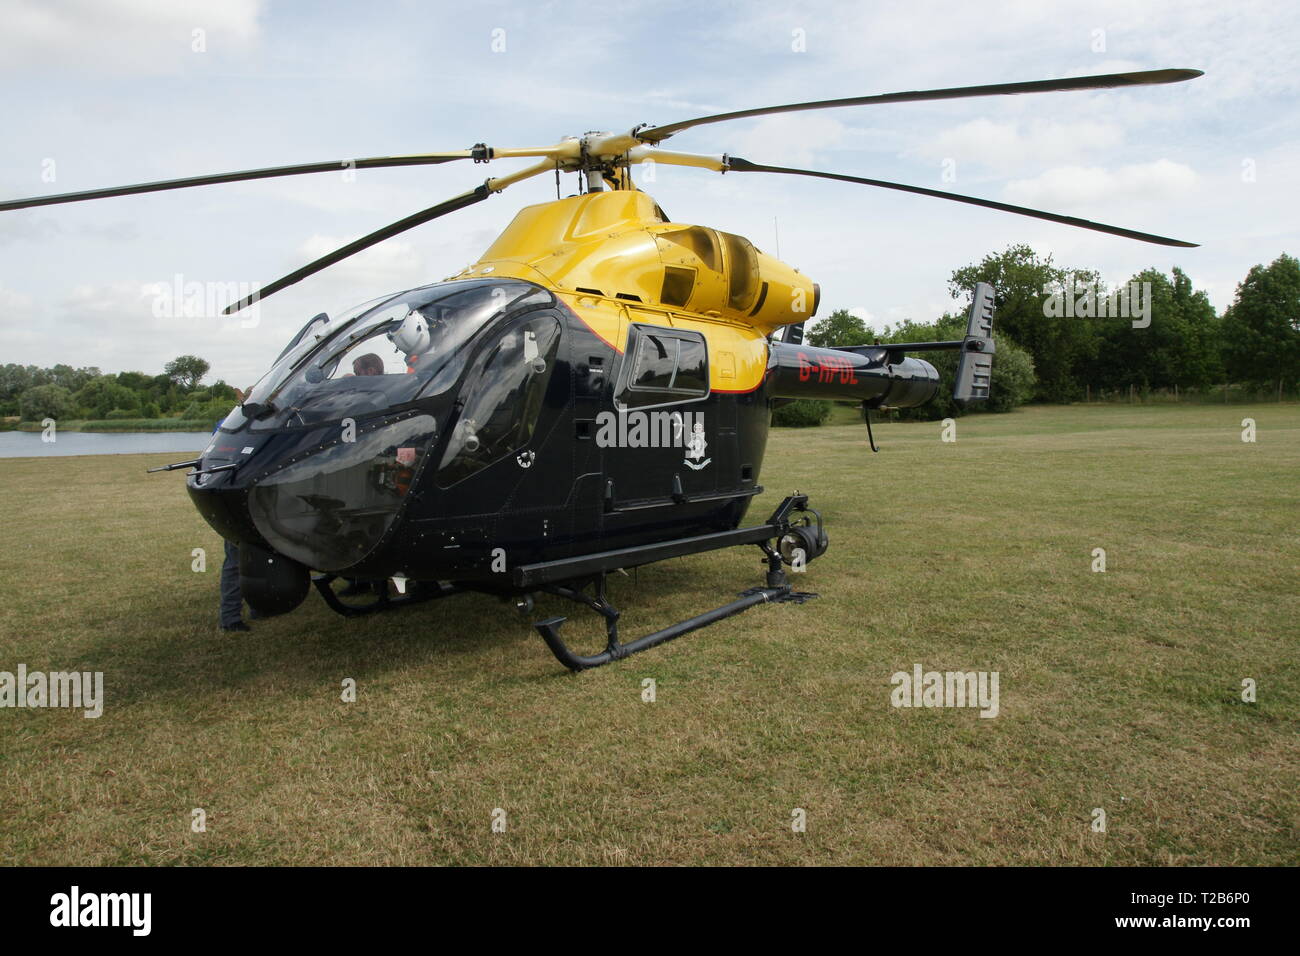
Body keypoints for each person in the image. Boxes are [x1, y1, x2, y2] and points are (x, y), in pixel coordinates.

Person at [218, 386, 256, 632]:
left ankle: (257, 607)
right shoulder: (236, 426)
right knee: (237, 561)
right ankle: (230, 617)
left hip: (241, 500)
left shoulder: (233, 424)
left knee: (250, 558)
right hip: (243, 502)